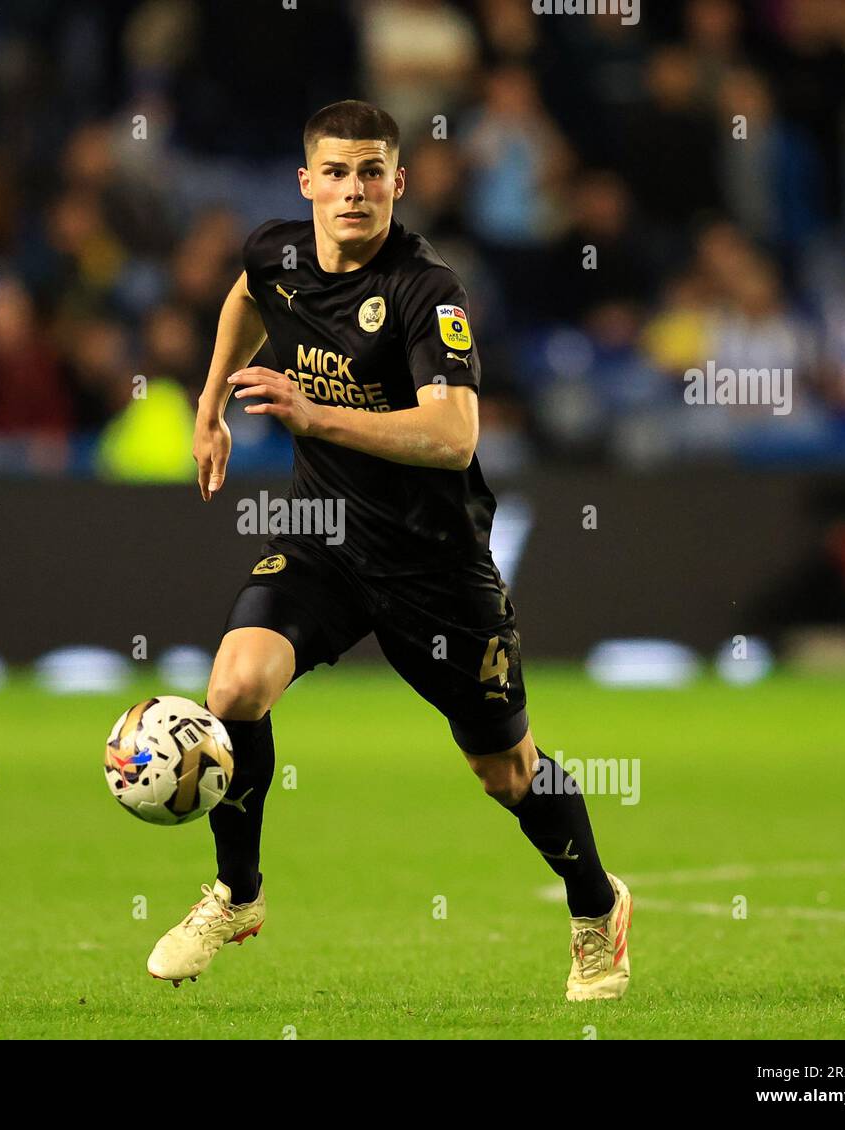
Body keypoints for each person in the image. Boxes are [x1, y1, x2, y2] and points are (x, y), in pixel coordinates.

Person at [148, 101, 630, 1001]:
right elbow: (246, 297)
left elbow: (453, 434)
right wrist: (207, 405)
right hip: (322, 539)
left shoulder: (425, 289)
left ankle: (596, 907)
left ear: (398, 183)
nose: (354, 190)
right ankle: (236, 894)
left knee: (505, 772)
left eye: (372, 172)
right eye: (335, 173)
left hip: (432, 565)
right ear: (307, 184)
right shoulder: (277, 252)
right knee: (235, 686)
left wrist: (312, 411)